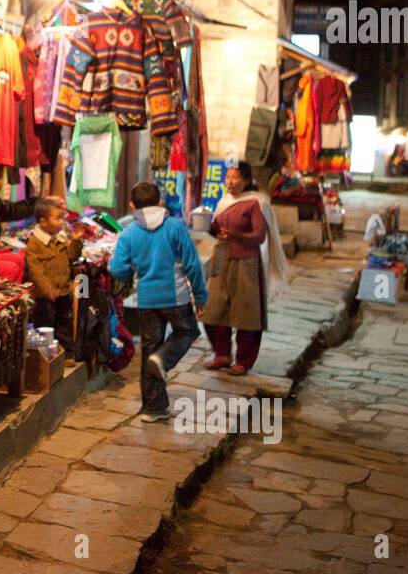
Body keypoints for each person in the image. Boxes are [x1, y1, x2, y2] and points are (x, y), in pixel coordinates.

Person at [110, 182, 208, 422]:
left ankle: (153, 408)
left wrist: (130, 276)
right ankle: (163, 359)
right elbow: (192, 264)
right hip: (176, 297)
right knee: (187, 331)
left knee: (150, 349)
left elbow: (117, 267)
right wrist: (200, 295)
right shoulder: (174, 227)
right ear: (160, 202)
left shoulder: (129, 233)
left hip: (146, 300)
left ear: (132, 205)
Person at [198, 162, 288, 375]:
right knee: (213, 309)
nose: (230, 181)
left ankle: (243, 361)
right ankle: (222, 354)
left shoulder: (255, 203)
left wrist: (236, 236)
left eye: (235, 177)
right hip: (222, 259)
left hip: (246, 262)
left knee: (246, 313)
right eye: (228, 177)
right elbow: (218, 231)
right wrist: (208, 226)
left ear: (246, 180)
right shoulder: (223, 202)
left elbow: (259, 236)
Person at [25, 197, 82, 352]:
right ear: (43, 222)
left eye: (62, 218)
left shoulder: (61, 238)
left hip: (63, 291)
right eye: (58, 218)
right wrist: (47, 289)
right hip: (45, 297)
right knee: (45, 327)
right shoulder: (34, 243)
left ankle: (66, 354)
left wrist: (76, 242)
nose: (62, 222)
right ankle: (45, 359)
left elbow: (71, 256)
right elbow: (35, 271)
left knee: (64, 325)